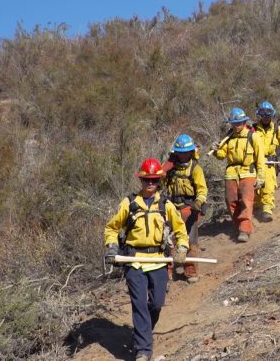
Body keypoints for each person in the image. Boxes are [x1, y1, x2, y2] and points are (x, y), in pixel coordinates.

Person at [104, 158, 190, 361]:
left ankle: (142, 332)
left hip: (158, 260)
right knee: (139, 304)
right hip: (133, 261)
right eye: (146, 180)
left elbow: (180, 229)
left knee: (157, 303)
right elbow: (111, 228)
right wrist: (112, 246)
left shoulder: (165, 204)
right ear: (141, 180)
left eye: (154, 179)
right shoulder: (129, 203)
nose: (150, 183)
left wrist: (183, 247)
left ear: (159, 180)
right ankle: (143, 350)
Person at [211, 108, 267, 242]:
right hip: (231, 174)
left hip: (247, 172)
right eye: (234, 123)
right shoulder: (228, 137)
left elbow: (260, 159)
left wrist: (261, 177)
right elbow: (221, 155)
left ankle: (245, 230)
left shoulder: (253, 137)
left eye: (239, 123)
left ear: (245, 122)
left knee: (246, 201)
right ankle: (238, 226)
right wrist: (215, 150)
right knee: (231, 201)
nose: (236, 126)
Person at [160, 134, 208, 283]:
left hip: (189, 208)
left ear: (192, 152)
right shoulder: (170, 168)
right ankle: (167, 272)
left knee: (191, 241)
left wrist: (198, 202)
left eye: (187, 152)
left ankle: (191, 272)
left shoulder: (195, 168)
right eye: (180, 152)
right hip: (171, 207)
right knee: (167, 241)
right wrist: (165, 168)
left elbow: (202, 190)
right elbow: (159, 182)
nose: (184, 155)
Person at [252, 101, 280, 222]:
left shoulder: (277, 129)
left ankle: (267, 210)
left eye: (268, 114)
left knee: (269, 186)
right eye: (263, 115)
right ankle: (257, 206)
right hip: (255, 163)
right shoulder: (253, 129)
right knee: (255, 189)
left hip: (270, 164)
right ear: (259, 115)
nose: (266, 117)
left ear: (272, 115)